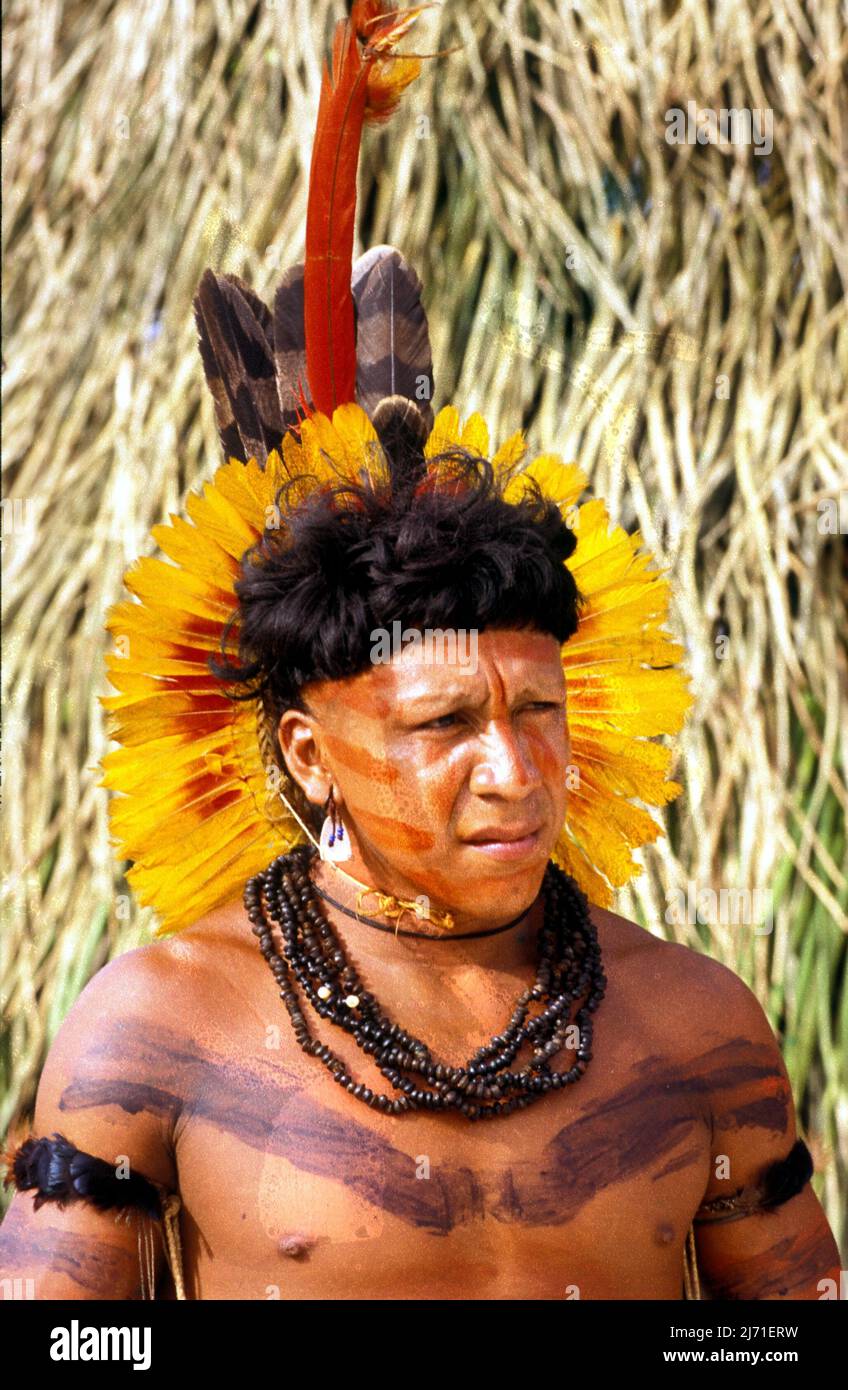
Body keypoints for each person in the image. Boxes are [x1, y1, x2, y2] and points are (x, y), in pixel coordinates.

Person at [1, 0, 840, 1301]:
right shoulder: (159, 1026)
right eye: (441, 725)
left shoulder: (695, 1024)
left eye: (538, 710)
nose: (514, 770)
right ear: (306, 751)